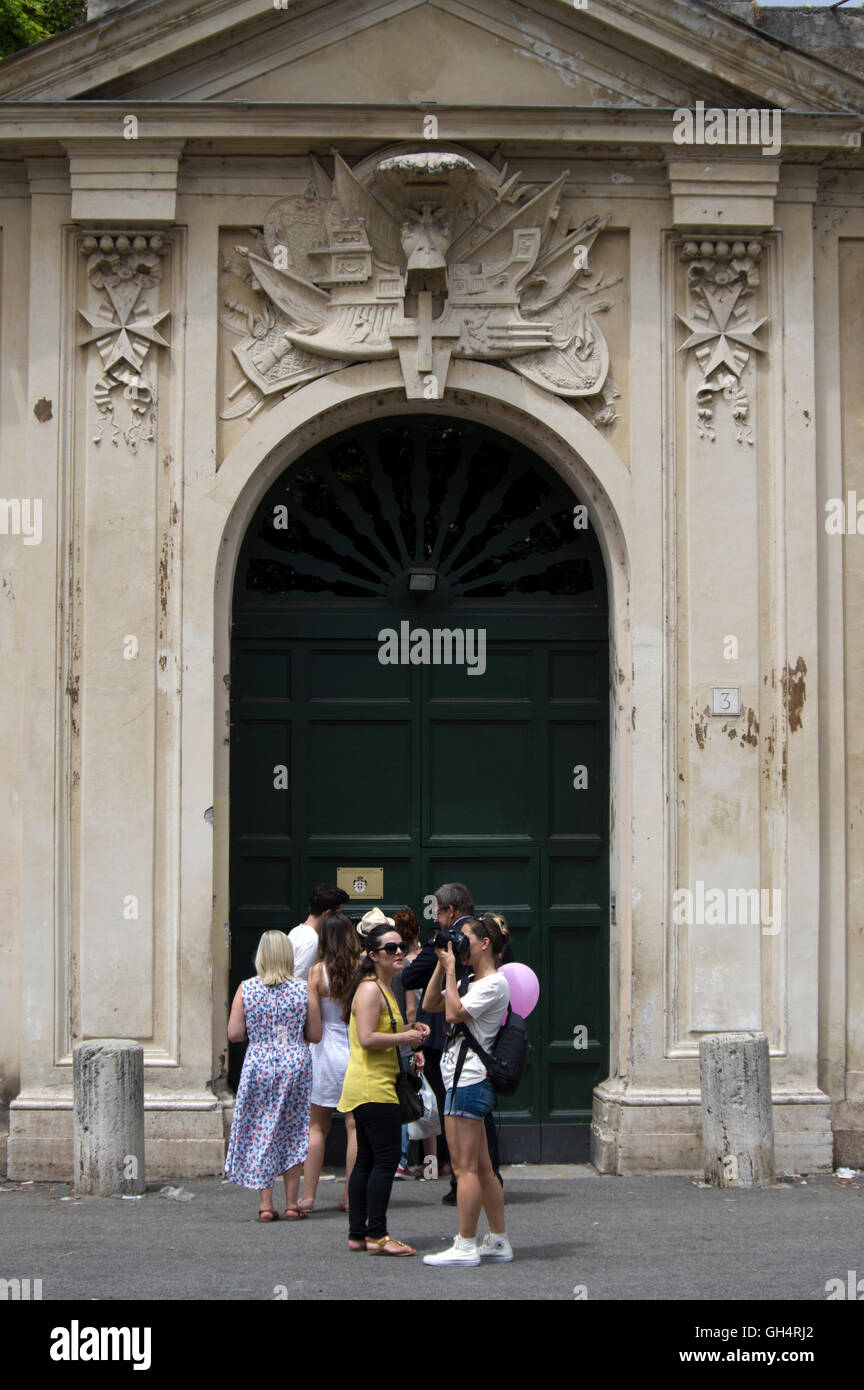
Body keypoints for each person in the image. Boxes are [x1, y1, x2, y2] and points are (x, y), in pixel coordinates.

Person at [422, 914, 513, 1266]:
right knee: (483, 1167)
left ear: (484, 944)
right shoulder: (472, 979)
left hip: (469, 1081)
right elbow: (431, 1004)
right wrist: (441, 961)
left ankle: (465, 1245)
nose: (461, 945)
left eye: (465, 939)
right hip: (464, 1080)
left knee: (465, 1170)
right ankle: (499, 1240)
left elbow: (453, 1013)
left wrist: (449, 971)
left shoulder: (493, 984)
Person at [402, 883, 502, 1201]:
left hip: (471, 1053)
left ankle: (467, 1188)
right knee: (480, 1128)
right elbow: (432, 1001)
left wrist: (442, 961)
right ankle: (483, 1183)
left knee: (468, 1143)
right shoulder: (480, 953)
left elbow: (418, 984)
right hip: (466, 1049)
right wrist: (443, 963)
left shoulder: (485, 970)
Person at [337, 923, 429, 1255]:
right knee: (386, 1159)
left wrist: (410, 1028)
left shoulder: (383, 987)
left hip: (373, 1084)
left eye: (401, 945)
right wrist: (405, 1038)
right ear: (374, 955)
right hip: (372, 1087)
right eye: (391, 948)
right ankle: (377, 1233)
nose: (399, 952)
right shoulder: (371, 989)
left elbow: (379, 1029)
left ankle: (358, 1233)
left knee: (366, 1159)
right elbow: (366, 1038)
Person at [225, 930, 322, 1221]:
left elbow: (234, 1033)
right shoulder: (303, 989)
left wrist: (259, 1035)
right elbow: (315, 1034)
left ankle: (266, 1203)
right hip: (294, 1061)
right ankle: (292, 1203)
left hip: (260, 1063)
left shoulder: (246, 989)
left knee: (261, 1128)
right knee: (293, 1130)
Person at [299, 911, 361, 1213]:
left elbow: (314, 1023)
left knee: (317, 1127)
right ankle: (350, 1196)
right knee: (354, 1126)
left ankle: (308, 1195)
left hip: (324, 1050)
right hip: (354, 1048)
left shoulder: (316, 973)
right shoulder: (361, 970)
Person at [289, 883, 350, 983]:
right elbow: (300, 981)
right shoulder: (312, 941)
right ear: (328, 913)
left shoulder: (296, 931)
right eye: (339, 913)